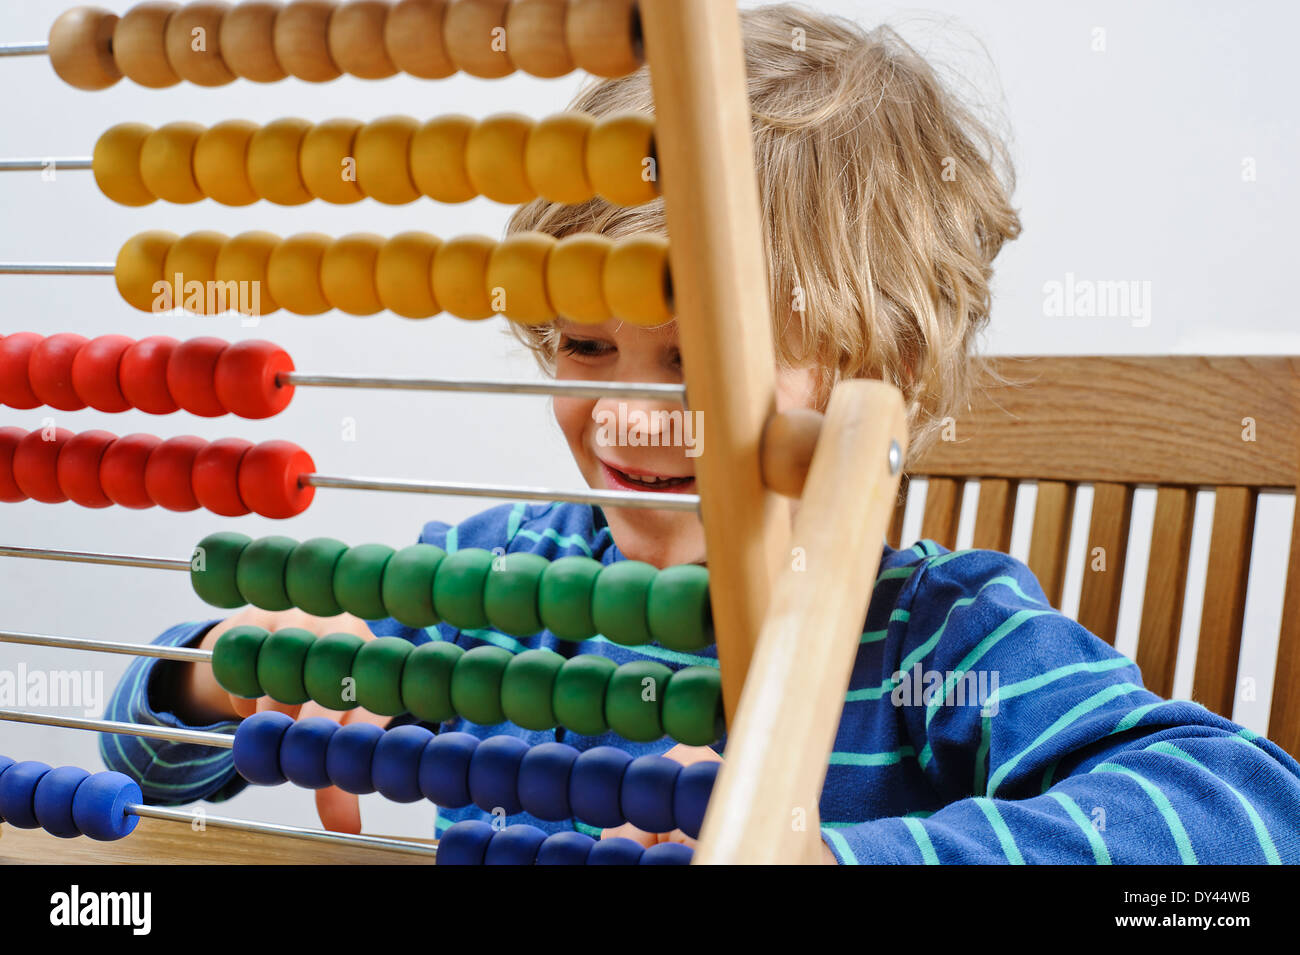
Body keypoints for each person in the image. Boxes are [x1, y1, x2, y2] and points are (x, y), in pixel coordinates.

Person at [101, 3, 1300, 864]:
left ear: (887, 369)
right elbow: (141, 759)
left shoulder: (940, 637)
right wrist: (219, 670)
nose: (627, 406)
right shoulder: (493, 587)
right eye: (585, 348)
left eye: (693, 361)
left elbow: (1249, 807)